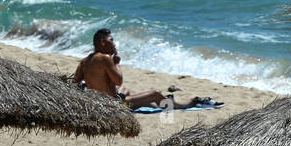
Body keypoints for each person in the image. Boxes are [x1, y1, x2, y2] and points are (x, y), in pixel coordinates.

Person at [73, 29, 216, 109]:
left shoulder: (84, 61)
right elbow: (118, 80)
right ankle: (189, 103)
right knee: (155, 93)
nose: (114, 44)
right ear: (103, 43)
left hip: (99, 102)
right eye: (111, 40)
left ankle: (161, 102)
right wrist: (116, 62)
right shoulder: (105, 58)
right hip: (113, 104)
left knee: (125, 91)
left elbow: (74, 84)